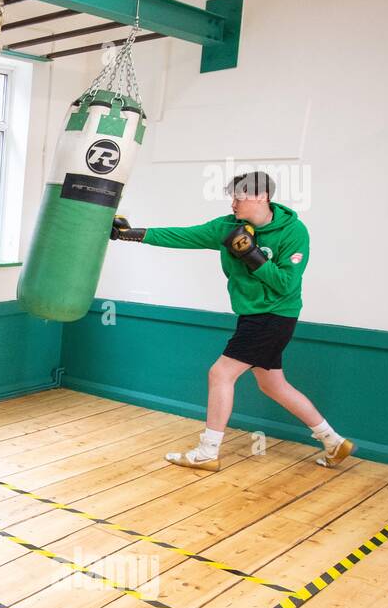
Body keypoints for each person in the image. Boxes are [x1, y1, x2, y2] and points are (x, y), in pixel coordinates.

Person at [110, 171, 353, 473]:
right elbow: (183, 236)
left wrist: (251, 255)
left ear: (262, 197)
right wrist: (130, 234)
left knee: (220, 374)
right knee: (273, 384)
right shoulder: (228, 227)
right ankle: (333, 441)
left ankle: (207, 452)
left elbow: (285, 284)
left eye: (240, 196)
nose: (233, 202)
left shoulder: (293, 231)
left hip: (274, 316)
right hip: (255, 316)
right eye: (232, 196)